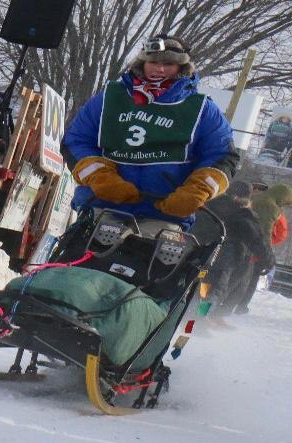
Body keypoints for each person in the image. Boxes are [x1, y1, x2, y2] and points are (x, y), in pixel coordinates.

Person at [62, 35, 239, 229]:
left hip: (166, 217)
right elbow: (76, 141)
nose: (160, 69)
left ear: (181, 67)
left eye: (168, 64)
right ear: (142, 63)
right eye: (153, 62)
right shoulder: (109, 98)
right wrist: (100, 177)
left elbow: (222, 157)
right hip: (102, 206)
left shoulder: (202, 110)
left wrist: (197, 191)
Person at [196, 181, 274, 323]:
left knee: (197, 288)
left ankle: (189, 318)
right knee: (213, 290)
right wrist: (269, 261)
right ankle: (196, 321)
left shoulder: (209, 204)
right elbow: (256, 239)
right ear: (244, 198)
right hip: (223, 259)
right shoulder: (242, 214)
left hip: (198, 254)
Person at [232, 183, 292, 313]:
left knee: (233, 279)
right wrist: (267, 254)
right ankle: (225, 310)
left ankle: (216, 311)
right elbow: (269, 233)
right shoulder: (272, 209)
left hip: (240, 244)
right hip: (254, 249)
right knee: (246, 281)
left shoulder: (253, 200)